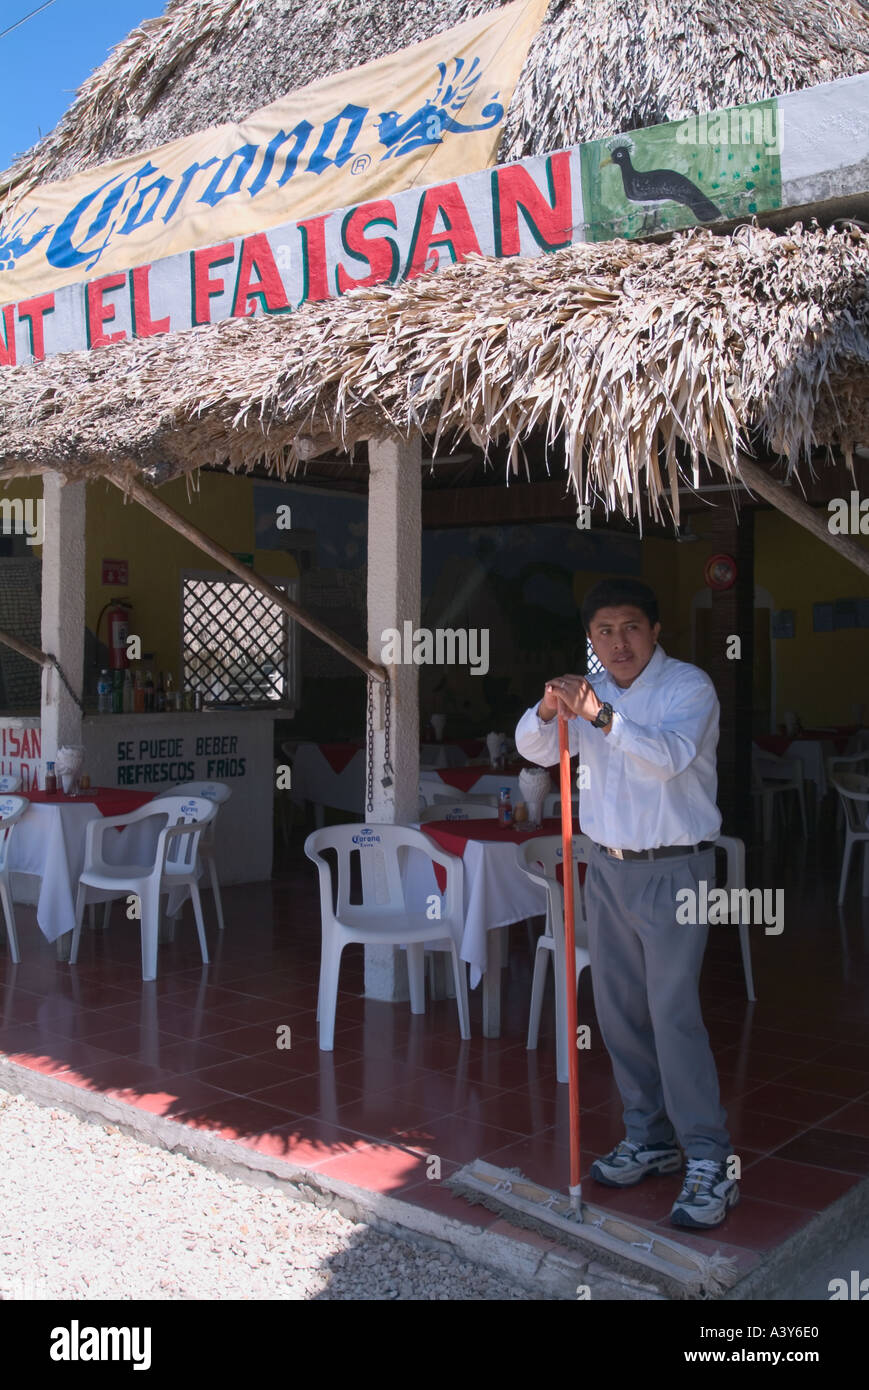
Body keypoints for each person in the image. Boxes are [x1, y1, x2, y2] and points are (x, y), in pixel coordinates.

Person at [514, 577, 738, 1229]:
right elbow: (532, 749)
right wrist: (551, 710)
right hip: (605, 870)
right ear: (590, 639)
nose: (618, 642)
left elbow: (666, 758)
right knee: (618, 1014)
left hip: (673, 871)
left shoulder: (687, 688)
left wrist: (599, 717)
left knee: (673, 1017)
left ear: (655, 630)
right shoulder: (593, 696)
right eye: (604, 631)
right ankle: (649, 1138)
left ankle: (708, 1159)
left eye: (630, 627)